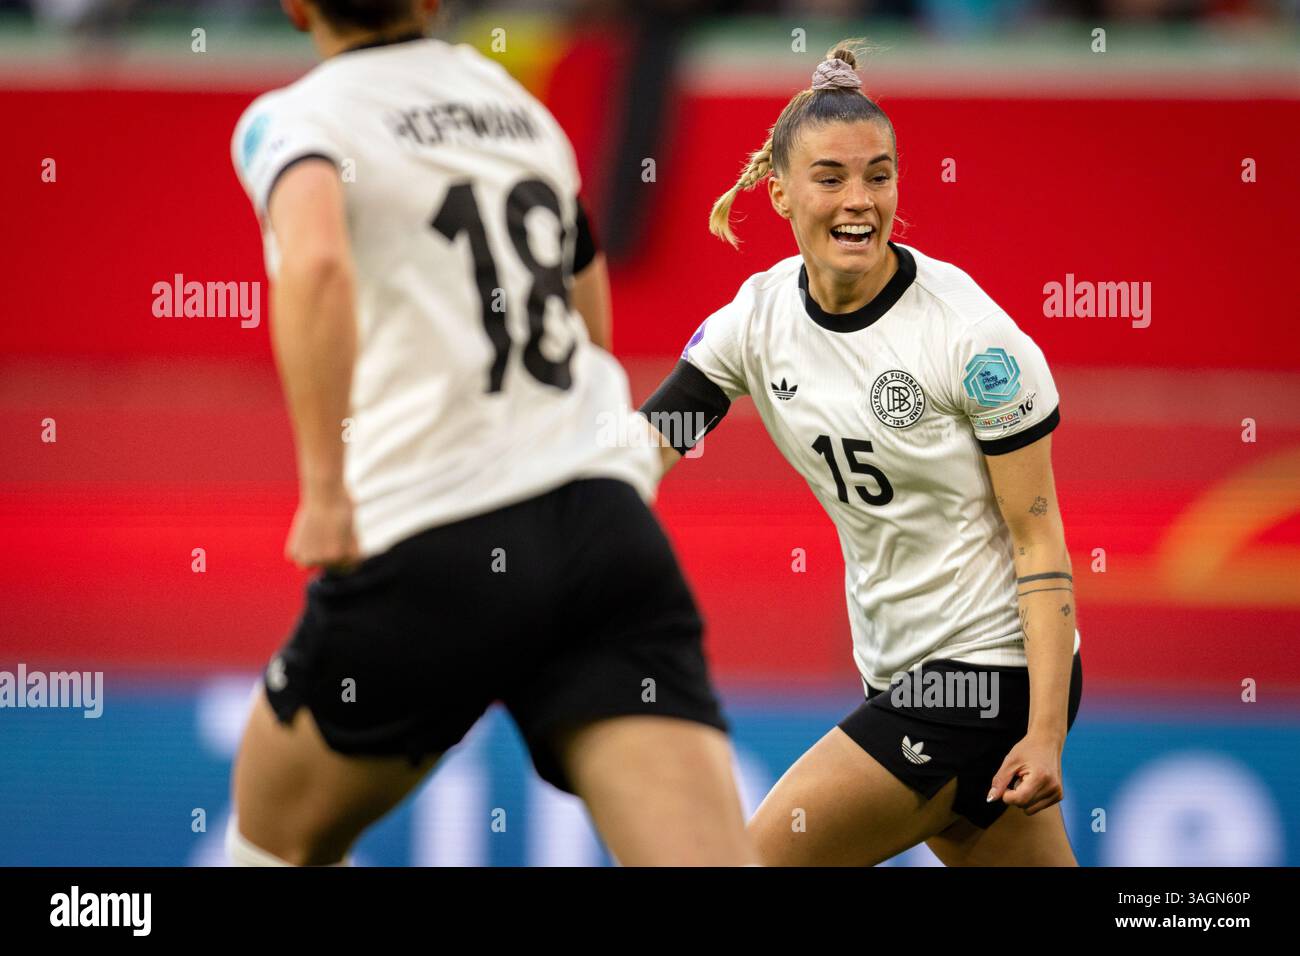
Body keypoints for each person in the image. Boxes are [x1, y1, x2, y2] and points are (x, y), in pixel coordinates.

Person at [224, 0, 753, 867]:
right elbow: (587, 297)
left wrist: (324, 493)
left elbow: (315, 263)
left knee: (273, 839)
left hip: (433, 543)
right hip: (603, 533)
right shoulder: (516, 110)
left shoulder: (295, 119)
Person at [639, 40, 1084, 866]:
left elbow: (1039, 539)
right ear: (779, 194)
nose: (860, 201)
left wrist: (1047, 731)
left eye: (879, 176)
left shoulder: (972, 340)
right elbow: (651, 447)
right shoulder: (757, 319)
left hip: (984, 680)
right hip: (899, 672)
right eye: (832, 177)